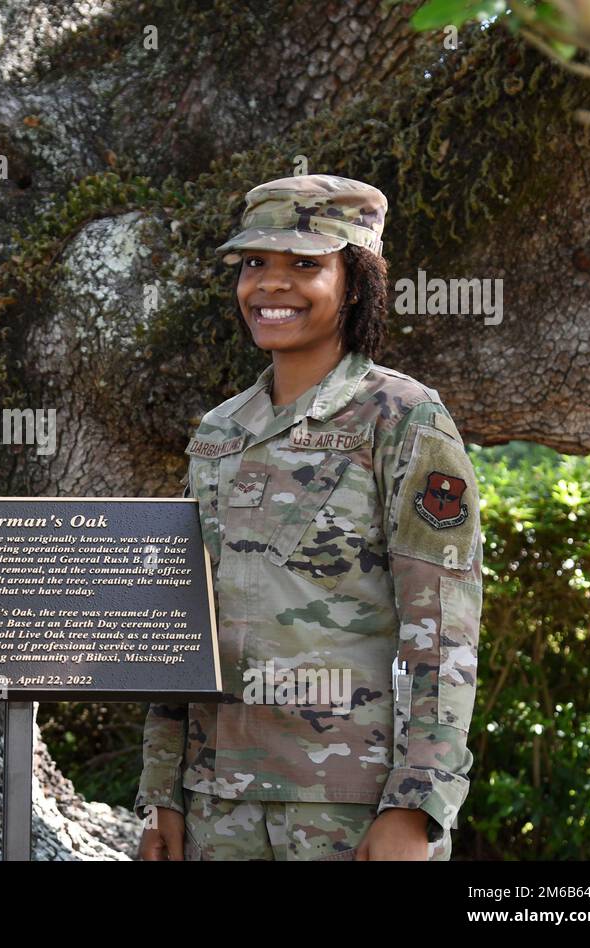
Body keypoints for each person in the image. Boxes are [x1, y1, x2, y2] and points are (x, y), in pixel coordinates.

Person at [136, 175, 481, 861]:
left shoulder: (403, 418)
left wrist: (417, 804)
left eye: (304, 265)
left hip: (351, 804)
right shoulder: (219, 430)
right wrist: (160, 795)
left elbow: (442, 624)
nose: (270, 285)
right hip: (217, 802)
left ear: (353, 282)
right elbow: (180, 623)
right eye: (254, 264)